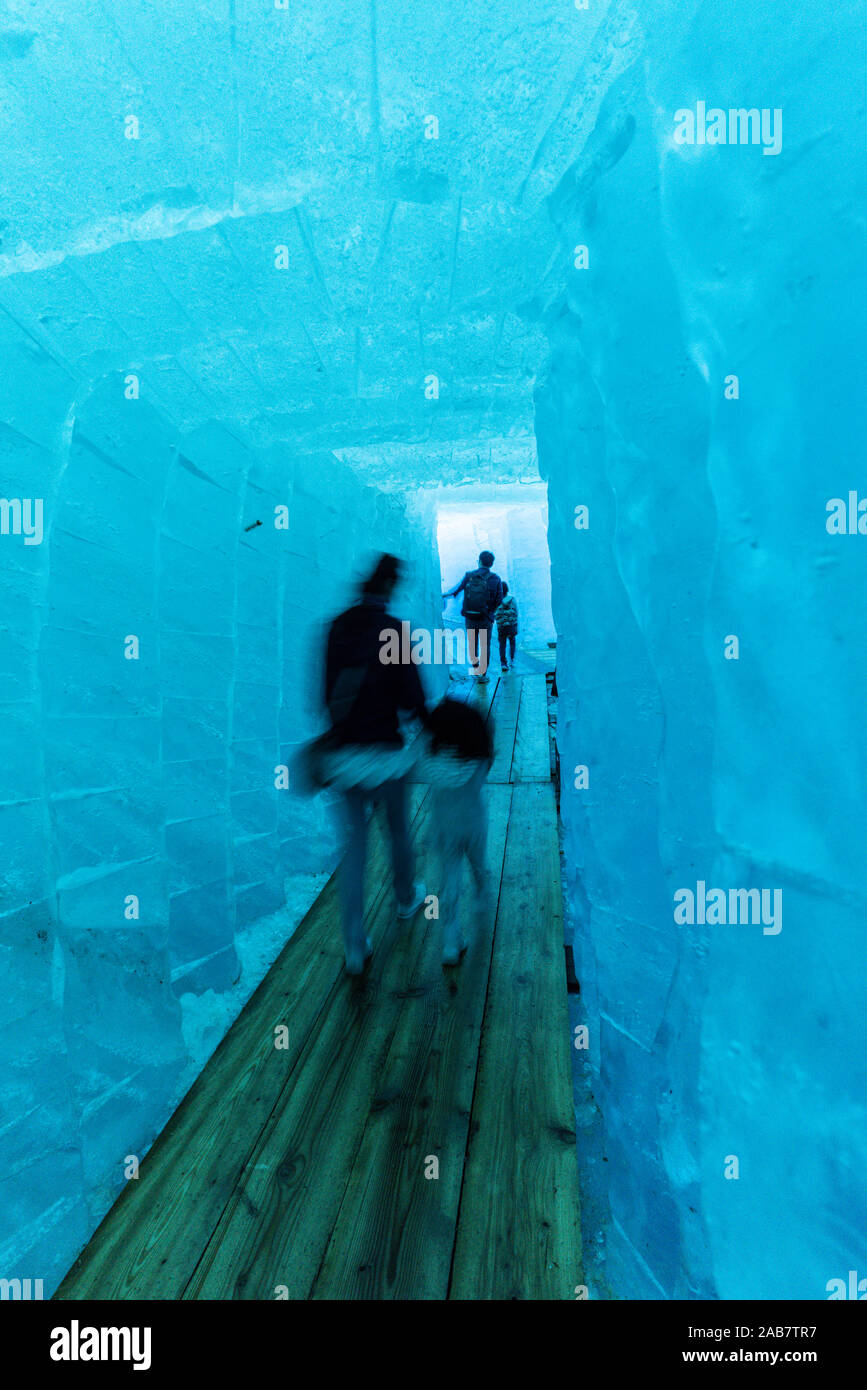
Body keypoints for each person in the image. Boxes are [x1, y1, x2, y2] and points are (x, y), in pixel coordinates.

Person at [323, 553, 428, 975]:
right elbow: (412, 698)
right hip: (386, 755)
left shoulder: (335, 628)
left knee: (353, 848)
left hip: (346, 757)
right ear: (389, 587)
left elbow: (322, 697)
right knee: (398, 832)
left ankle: (353, 944)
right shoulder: (394, 632)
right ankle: (405, 900)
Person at [412, 698, 494, 965]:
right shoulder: (476, 759)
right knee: (478, 865)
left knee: (449, 882)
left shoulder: (431, 760)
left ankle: (450, 941)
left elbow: (419, 755)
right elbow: (484, 771)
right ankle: (482, 894)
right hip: (473, 825)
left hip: (445, 829)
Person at [443, 550, 503, 683]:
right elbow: (499, 600)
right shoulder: (496, 579)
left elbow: (456, 590)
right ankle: (482, 674)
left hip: (470, 617)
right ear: (491, 564)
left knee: (472, 644)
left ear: (479, 561)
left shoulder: (469, 575)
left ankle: (476, 669)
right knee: (485, 645)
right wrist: (490, 613)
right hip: (485, 618)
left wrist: (443, 595)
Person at [493, 581, 518, 672]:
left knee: (502, 645)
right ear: (507, 589)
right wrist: (515, 623)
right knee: (512, 643)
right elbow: (516, 612)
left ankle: (503, 663)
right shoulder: (512, 599)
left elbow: (495, 614)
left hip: (502, 627)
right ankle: (512, 660)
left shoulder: (496, 600)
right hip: (511, 626)